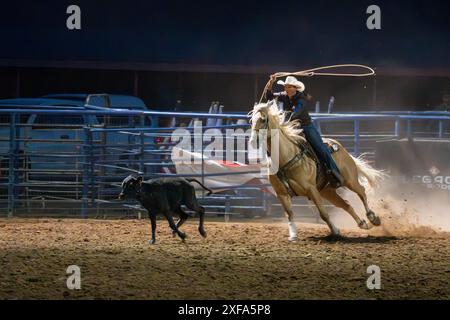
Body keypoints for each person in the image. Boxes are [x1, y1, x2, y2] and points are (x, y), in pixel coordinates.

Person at [266, 74, 343, 187]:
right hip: (291, 127)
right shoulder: (284, 95)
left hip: (306, 127)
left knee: (320, 147)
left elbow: (297, 112)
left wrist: (284, 120)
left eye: (290, 87)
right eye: (286, 87)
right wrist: (271, 82)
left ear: (295, 88)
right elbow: (269, 96)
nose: (287, 89)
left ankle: (336, 174)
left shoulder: (301, 98)